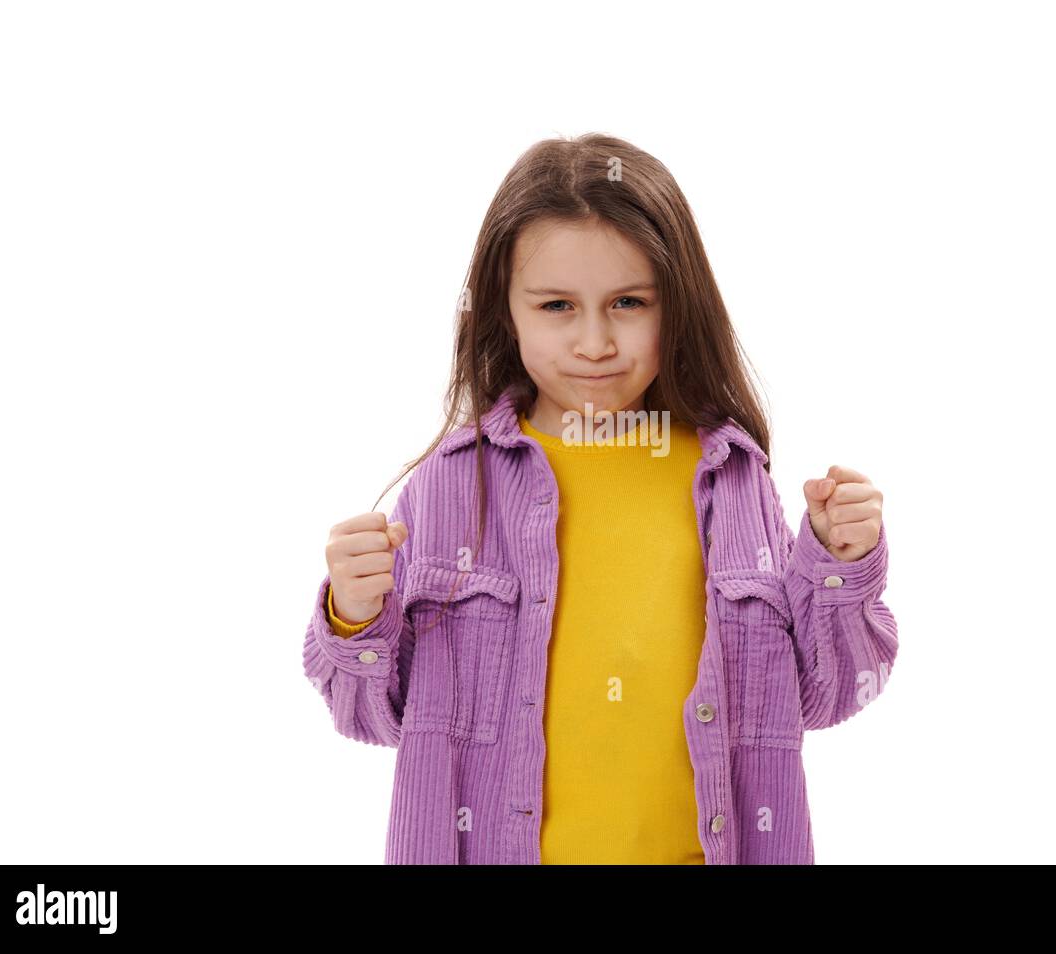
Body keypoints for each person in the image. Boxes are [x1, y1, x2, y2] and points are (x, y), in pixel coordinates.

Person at [303, 132, 898, 864]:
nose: (594, 342)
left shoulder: (733, 481)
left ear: (676, 305)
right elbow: (370, 715)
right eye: (556, 305)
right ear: (503, 311)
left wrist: (840, 564)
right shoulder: (454, 485)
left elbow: (827, 695)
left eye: (627, 303)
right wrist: (355, 613)